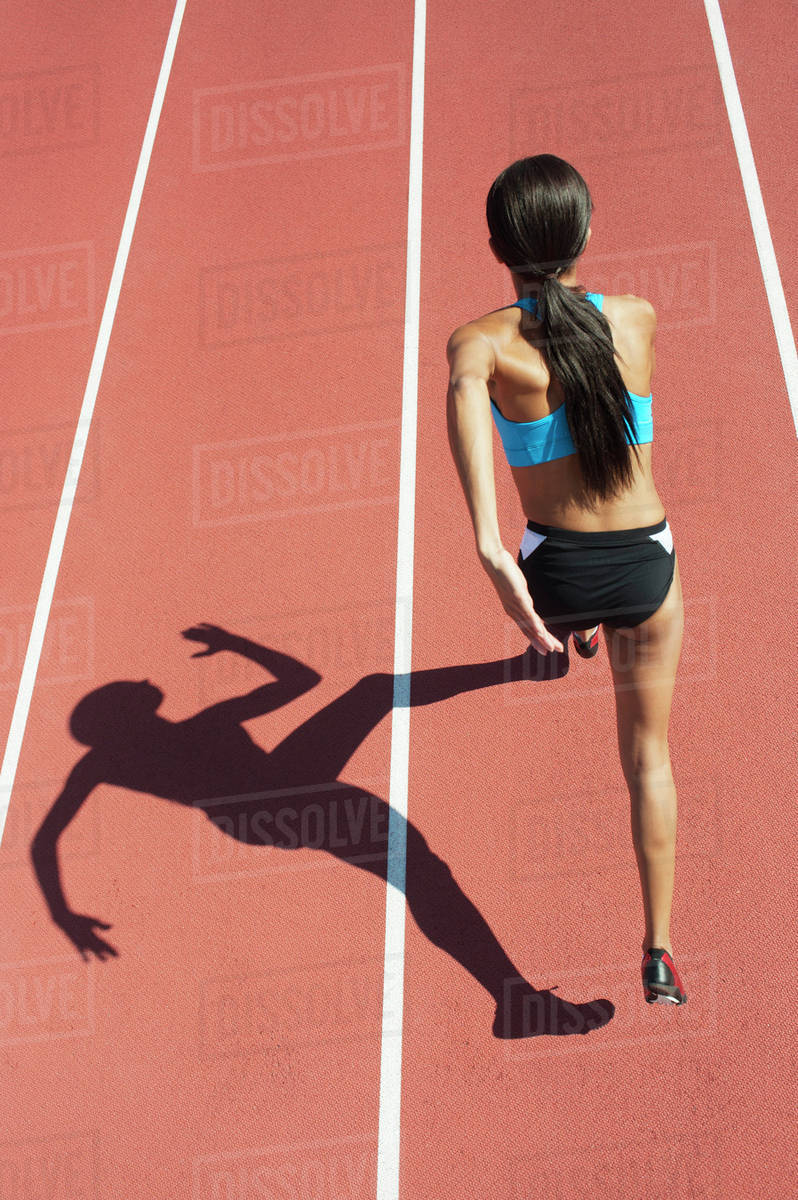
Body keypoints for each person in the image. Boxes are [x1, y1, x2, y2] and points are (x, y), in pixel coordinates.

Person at [445, 153, 687, 1006]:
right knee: (648, 760)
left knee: (541, 530)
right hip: (644, 569)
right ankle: (658, 953)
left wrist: (488, 549)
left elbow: (468, 403)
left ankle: (578, 623)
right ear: (586, 234)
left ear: (494, 248)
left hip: (549, 576)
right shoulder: (639, 317)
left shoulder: (480, 343)